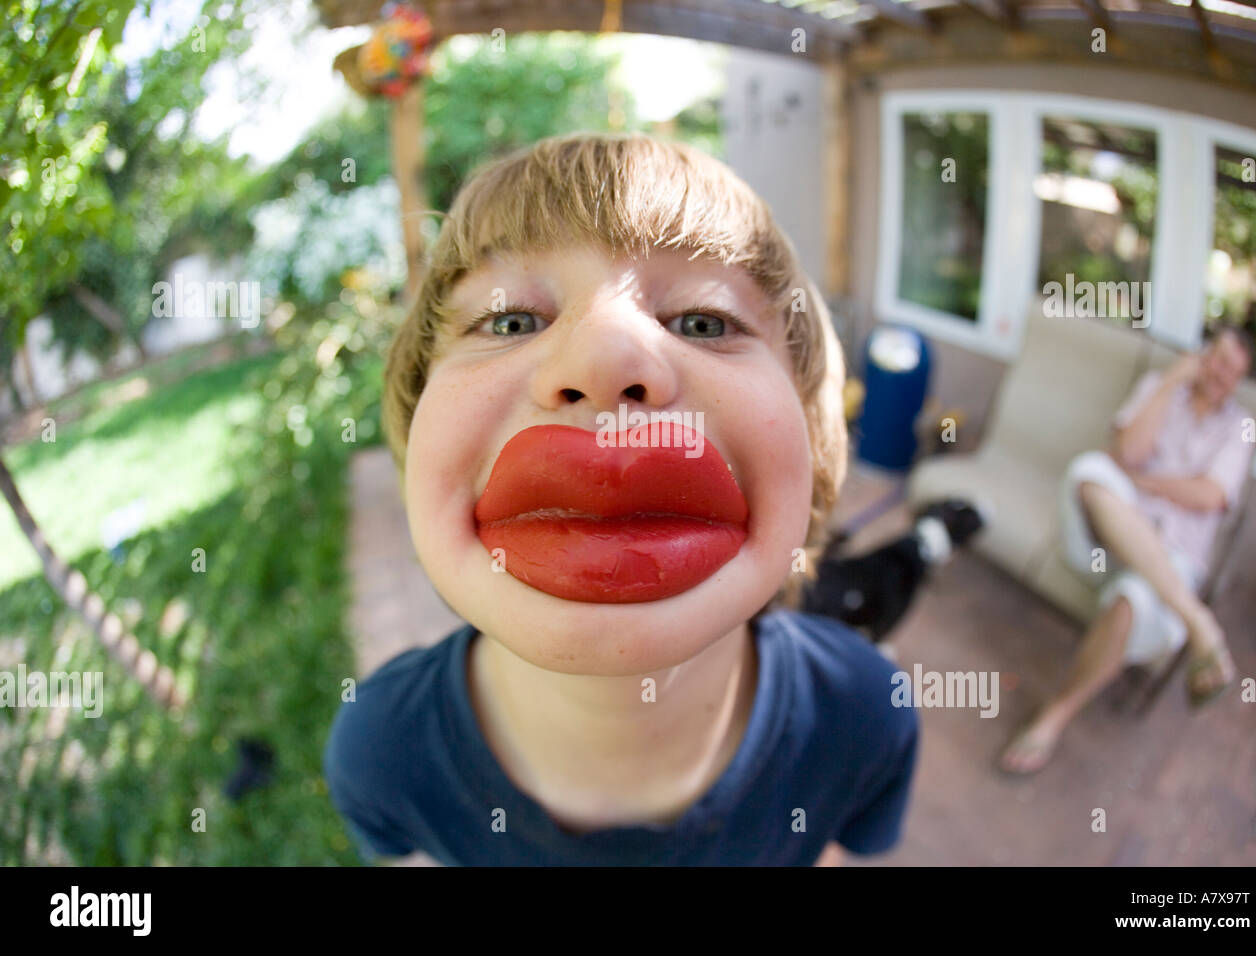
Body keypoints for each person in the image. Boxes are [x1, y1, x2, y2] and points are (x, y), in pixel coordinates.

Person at [323, 132, 919, 865]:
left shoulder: (866, 714)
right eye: (509, 321)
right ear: (414, 429)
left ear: (811, 440)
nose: (604, 359)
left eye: (704, 321)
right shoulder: (379, 749)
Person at [1000, 327, 1255, 775]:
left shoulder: (1240, 427)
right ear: (1201, 356)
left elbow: (1210, 496)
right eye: (1216, 360)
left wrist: (1144, 484)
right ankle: (1199, 621)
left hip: (1170, 558)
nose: (1220, 374)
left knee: (1130, 605)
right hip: (1106, 540)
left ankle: (1053, 719)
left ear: (1241, 380)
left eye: (1233, 371)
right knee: (1089, 468)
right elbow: (1126, 451)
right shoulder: (1159, 387)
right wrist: (1174, 378)